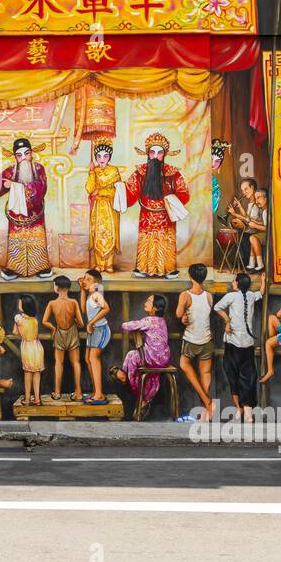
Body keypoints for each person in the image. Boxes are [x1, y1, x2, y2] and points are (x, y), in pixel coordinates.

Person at [123, 133, 190, 279]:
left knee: (166, 241)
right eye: (152, 152)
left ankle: (168, 269)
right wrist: (120, 188)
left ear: (164, 154)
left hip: (166, 216)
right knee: (146, 241)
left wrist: (171, 197)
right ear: (148, 154)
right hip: (146, 215)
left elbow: (184, 193)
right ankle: (143, 268)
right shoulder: (140, 173)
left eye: (159, 153)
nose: (155, 156)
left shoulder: (173, 173)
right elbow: (130, 192)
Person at [0, 138, 52, 281]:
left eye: (26, 153)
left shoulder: (38, 169)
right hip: (17, 217)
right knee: (17, 241)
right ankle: (15, 268)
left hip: (35, 214)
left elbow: (40, 189)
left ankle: (40, 266)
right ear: (15, 157)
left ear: (31, 153)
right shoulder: (11, 171)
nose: (23, 158)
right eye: (19, 155)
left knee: (37, 239)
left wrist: (15, 187)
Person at [110, 294, 171, 410]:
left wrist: (124, 324)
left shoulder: (148, 320)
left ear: (155, 308)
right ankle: (146, 398)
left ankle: (128, 380)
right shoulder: (162, 321)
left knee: (131, 355)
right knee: (152, 374)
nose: (145, 303)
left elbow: (128, 326)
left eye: (148, 301)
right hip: (164, 359)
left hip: (152, 358)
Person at [215, 273, 264, 419]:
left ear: (237, 283)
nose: (232, 282)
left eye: (233, 280)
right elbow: (261, 293)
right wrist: (262, 281)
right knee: (247, 377)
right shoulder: (251, 295)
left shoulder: (231, 296)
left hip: (233, 343)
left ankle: (239, 408)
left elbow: (217, 307)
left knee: (233, 376)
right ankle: (247, 412)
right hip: (247, 344)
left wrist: (227, 321)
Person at [176, 263, 215, 420]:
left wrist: (184, 315)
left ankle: (206, 400)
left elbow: (179, 314)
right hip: (207, 339)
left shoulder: (185, 295)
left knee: (184, 364)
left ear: (190, 276)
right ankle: (206, 413)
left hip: (191, 339)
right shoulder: (209, 296)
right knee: (205, 372)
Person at [42, 274, 84, 400]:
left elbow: (45, 321)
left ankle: (57, 392)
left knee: (58, 363)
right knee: (76, 362)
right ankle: (78, 392)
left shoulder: (52, 303)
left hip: (59, 333)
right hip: (72, 333)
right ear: (68, 288)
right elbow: (81, 323)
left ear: (57, 287)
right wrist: (75, 322)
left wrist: (53, 328)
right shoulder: (73, 302)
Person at [85, 138, 124, 273]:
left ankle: (109, 264)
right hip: (98, 207)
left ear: (109, 157)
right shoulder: (94, 171)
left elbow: (116, 190)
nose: (102, 159)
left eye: (105, 156)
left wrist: (100, 191)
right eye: (99, 156)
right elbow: (89, 189)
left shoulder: (114, 171)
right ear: (95, 157)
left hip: (110, 207)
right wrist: (91, 172)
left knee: (110, 234)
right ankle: (99, 264)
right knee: (97, 233)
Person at [79, 269, 111, 404]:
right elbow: (83, 310)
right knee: (87, 358)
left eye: (89, 280)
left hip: (101, 330)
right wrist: (82, 290)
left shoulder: (98, 295)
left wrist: (91, 322)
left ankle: (99, 393)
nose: (85, 281)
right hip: (93, 331)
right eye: (84, 279)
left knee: (93, 357)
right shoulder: (89, 296)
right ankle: (95, 391)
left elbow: (106, 309)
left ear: (97, 283)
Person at [15, 294, 44, 407]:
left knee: (27, 373)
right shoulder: (35, 320)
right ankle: (37, 399)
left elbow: (15, 332)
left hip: (27, 347)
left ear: (24, 306)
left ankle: (27, 399)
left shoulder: (18, 319)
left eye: (20, 303)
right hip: (37, 346)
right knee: (37, 373)